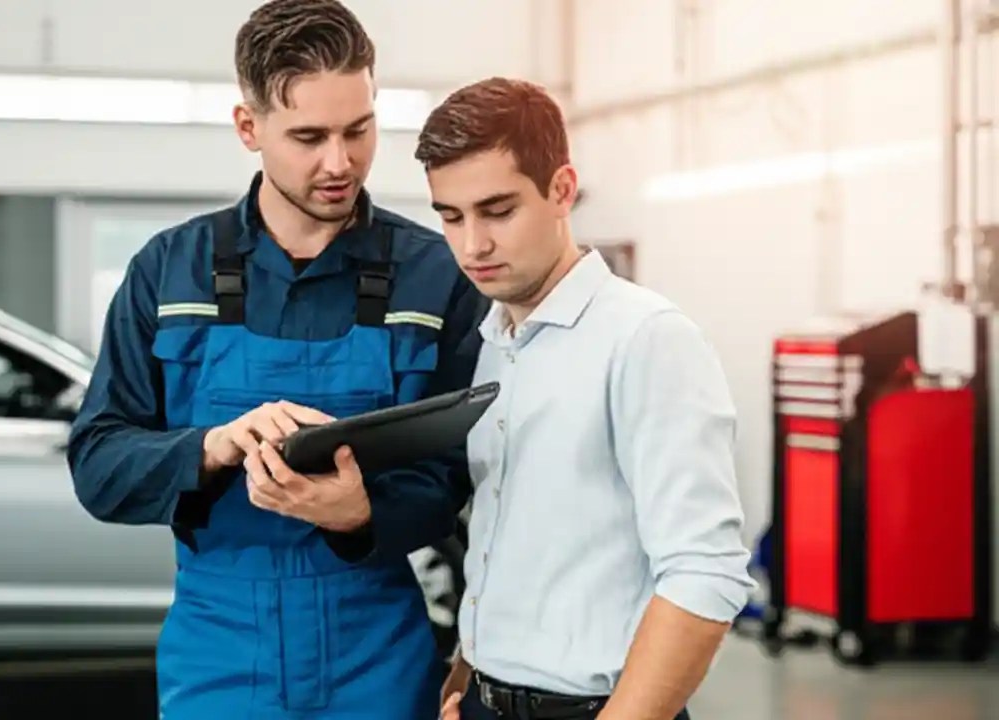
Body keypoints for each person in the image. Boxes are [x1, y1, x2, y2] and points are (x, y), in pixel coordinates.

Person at [66, 1, 487, 718]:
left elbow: (466, 474)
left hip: (378, 653)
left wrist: (363, 513)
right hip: (221, 652)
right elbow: (100, 465)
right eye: (309, 136)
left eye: (359, 130)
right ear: (248, 128)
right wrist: (211, 447)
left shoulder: (434, 276)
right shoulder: (170, 273)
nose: (340, 161)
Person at [415, 78, 756, 720]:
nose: (472, 245)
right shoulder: (494, 343)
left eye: (498, 210)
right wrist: (466, 674)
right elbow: (504, 540)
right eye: (451, 216)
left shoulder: (646, 339)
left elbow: (705, 573)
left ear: (562, 190)